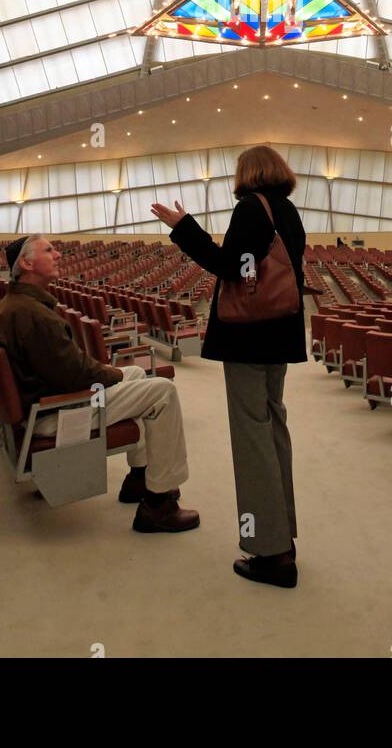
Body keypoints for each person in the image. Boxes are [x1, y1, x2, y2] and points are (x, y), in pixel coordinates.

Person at [152, 146, 306, 589]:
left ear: (247, 173)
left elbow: (229, 267)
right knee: (273, 427)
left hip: (249, 338)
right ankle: (283, 538)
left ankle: (270, 552)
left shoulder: (250, 210)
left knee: (252, 437)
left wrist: (184, 229)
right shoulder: (289, 211)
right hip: (280, 335)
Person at [0, 235, 198, 533]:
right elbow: (75, 374)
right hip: (57, 414)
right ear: (27, 263)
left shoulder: (20, 304)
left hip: (50, 401)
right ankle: (159, 504)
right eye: (49, 250)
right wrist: (114, 374)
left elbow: (68, 367)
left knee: (138, 375)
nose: (58, 254)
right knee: (162, 391)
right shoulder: (32, 314)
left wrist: (112, 372)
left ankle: (139, 476)